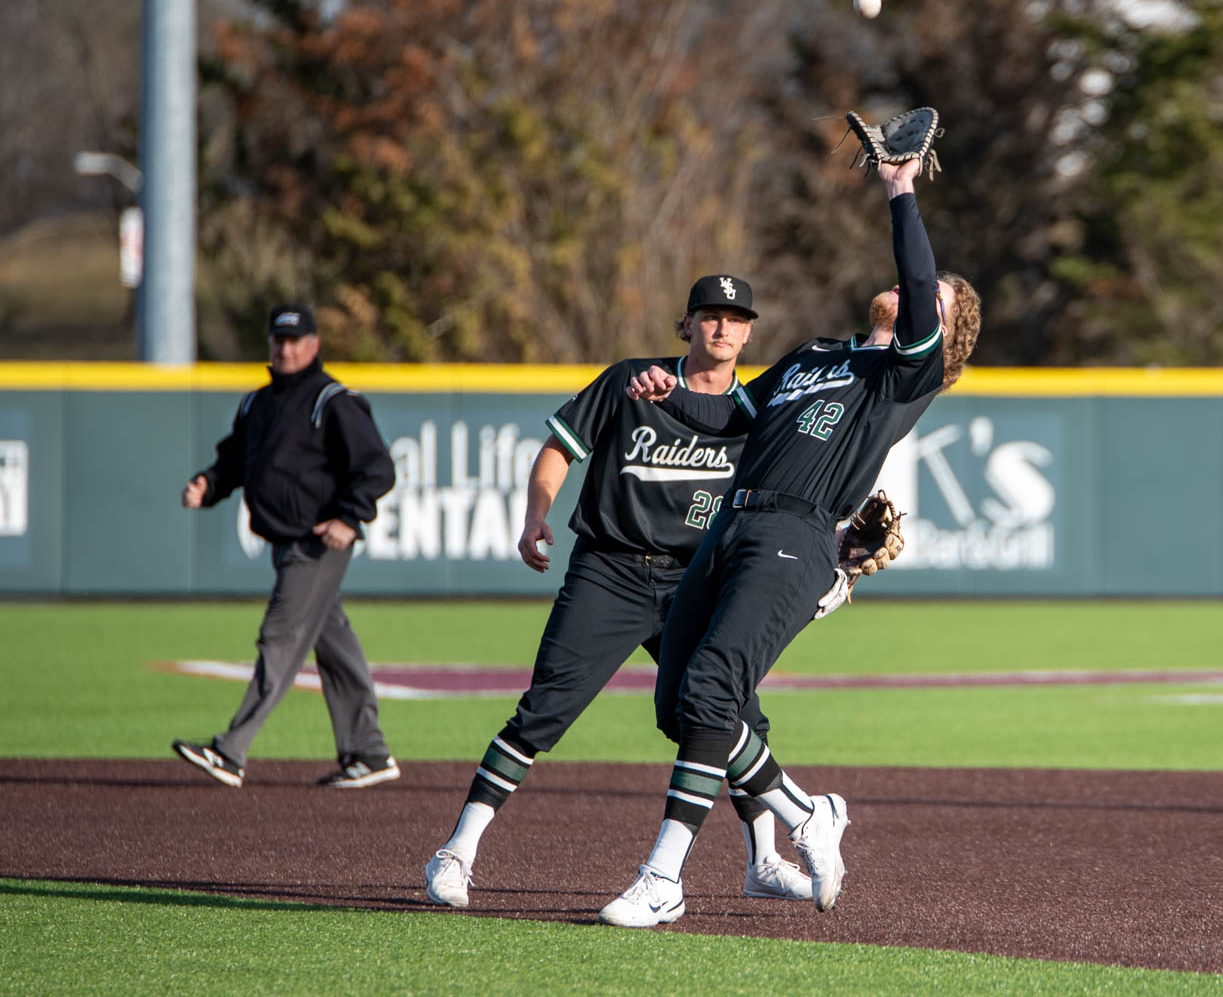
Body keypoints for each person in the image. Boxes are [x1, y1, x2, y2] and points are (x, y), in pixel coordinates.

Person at [598, 155, 981, 927]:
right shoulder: (816, 356)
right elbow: (735, 417)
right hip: (729, 525)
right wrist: (675, 395)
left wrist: (900, 189)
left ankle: (664, 878)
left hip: (796, 531)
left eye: (929, 298)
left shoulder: (907, 374)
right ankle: (811, 812)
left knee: (711, 691)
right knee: (681, 707)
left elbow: (916, 278)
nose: (912, 294)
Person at [422, 275, 819, 909]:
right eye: (709, 316)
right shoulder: (632, 381)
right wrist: (534, 516)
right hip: (610, 570)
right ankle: (456, 851)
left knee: (736, 713)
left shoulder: (758, 412)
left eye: (735, 318)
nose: (722, 327)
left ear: (748, 332)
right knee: (544, 709)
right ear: (685, 325)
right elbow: (559, 448)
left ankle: (763, 861)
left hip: (695, 581)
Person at [171, 305, 400, 789]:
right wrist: (209, 485)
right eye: (279, 339)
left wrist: (350, 516)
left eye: (296, 340)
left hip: (317, 542)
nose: (287, 347)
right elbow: (235, 459)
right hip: (286, 541)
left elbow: (378, 466)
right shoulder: (259, 403)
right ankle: (369, 752)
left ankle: (230, 750)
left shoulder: (332, 400)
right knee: (332, 642)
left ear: (314, 344)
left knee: (279, 637)